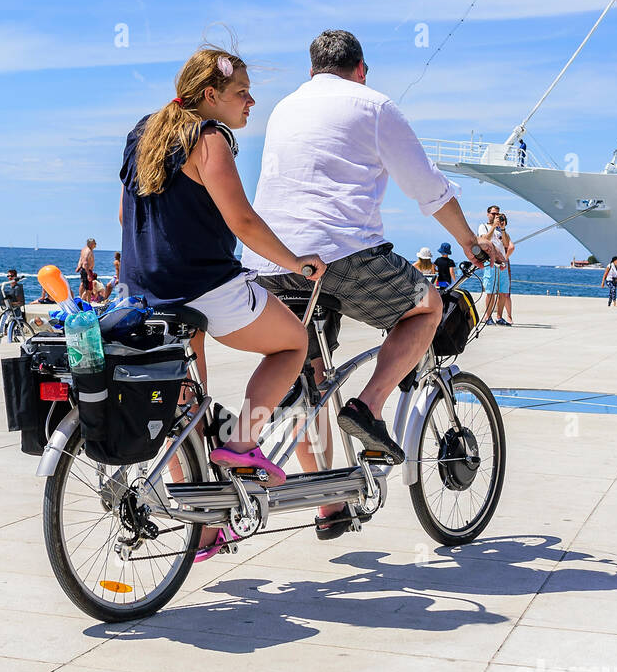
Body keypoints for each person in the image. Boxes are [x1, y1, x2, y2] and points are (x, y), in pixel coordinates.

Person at [247, 29, 487, 537]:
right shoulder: (373, 106)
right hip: (340, 256)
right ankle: (370, 407)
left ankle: (329, 504)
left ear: (312, 71)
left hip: (271, 259)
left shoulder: (284, 108)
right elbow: (428, 189)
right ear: (361, 69)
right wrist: (469, 241)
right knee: (426, 306)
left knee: (307, 377)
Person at [118, 45, 326, 559]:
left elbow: (125, 219)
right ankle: (238, 447)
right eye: (242, 93)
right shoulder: (209, 139)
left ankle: (205, 523)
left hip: (145, 289)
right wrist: (298, 261)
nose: (251, 102)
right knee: (292, 345)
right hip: (204, 285)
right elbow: (245, 223)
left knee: (184, 407)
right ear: (211, 96)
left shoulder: (143, 133)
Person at [490, 212, 514, 325]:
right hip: (492, 262)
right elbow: (485, 239)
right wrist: (494, 226)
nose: (499, 220)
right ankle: (488, 316)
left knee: (504, 292)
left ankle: (501, 317)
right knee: (491, 291)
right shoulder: (486, 228)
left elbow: (507, 245)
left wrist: (503, 229)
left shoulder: (504, 232)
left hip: (503, 263)